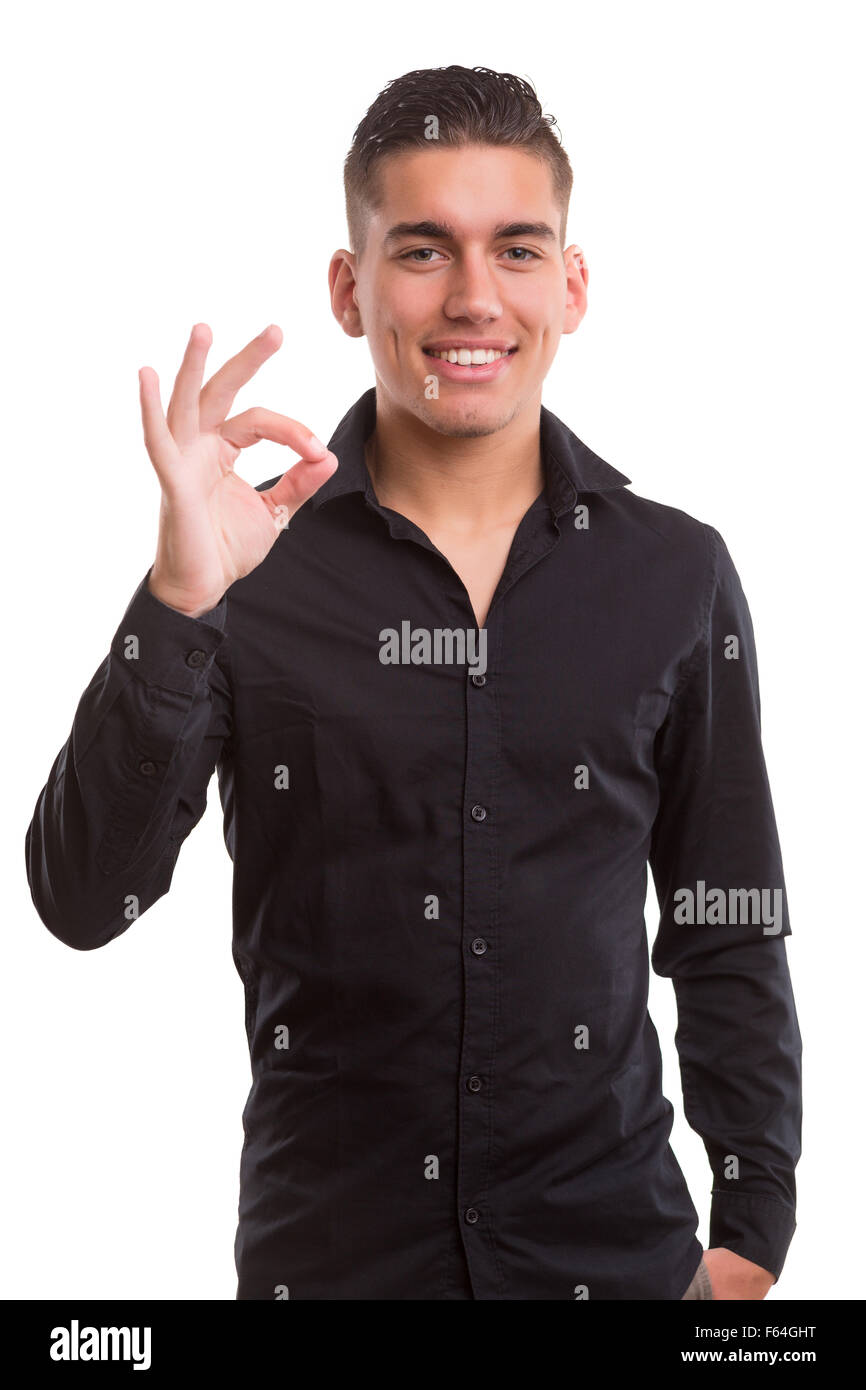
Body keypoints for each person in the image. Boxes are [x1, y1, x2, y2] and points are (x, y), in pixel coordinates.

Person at [25, 64, 802, 1301]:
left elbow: (726, 921)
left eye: (517, 249)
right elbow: (80, 897)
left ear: (572, 284)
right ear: (350, 286)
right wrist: (181, 600)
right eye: (423, 250)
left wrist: (750, 1234)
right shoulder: (244, 569)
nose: (474, 299)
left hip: (615, 1268)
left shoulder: (676, 575)